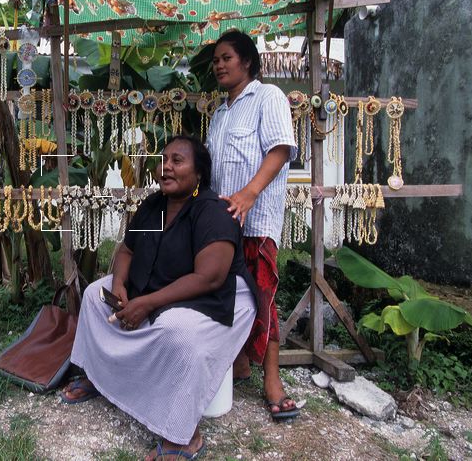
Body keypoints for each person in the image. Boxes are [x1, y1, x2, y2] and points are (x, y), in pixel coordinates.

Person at [62, 136, 257, 460]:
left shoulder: (213, 211)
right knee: (98, 296)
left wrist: (149, 303)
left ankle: (183, 437)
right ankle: (98, 376)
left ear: (198, 173)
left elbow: (210, 277)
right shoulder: (153, 206)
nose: (166, 167)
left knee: (174, 331)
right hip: (154, 286)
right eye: (163, 160)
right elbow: (127, 250)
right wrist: (121, 285)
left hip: (214, 298)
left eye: (177, 161)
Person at [207, 29, 300, 421]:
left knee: (263, 297)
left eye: (226, 57)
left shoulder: (268, 97)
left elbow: (280, 149)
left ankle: (273, 381)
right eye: (215, 61)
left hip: (256, 221)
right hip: (222, 223)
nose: (219, 65)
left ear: (246, 61)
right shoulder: (219, 112)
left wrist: (247, 194)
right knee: (225, 294)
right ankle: (240, 364)